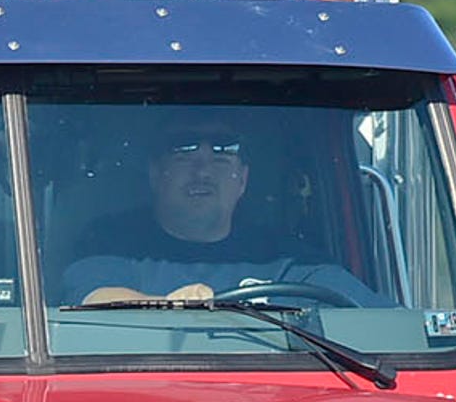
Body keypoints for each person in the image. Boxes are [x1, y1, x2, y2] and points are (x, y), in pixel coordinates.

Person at [61, 118, 378, 307]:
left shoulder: (284, 261)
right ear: (156, 174)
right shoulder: (110, 243)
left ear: (242, 180)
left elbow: (377, 319)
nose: (203, 172)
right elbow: (95, 297)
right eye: (184, 154)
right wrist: (168, 309)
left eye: (222, 157)